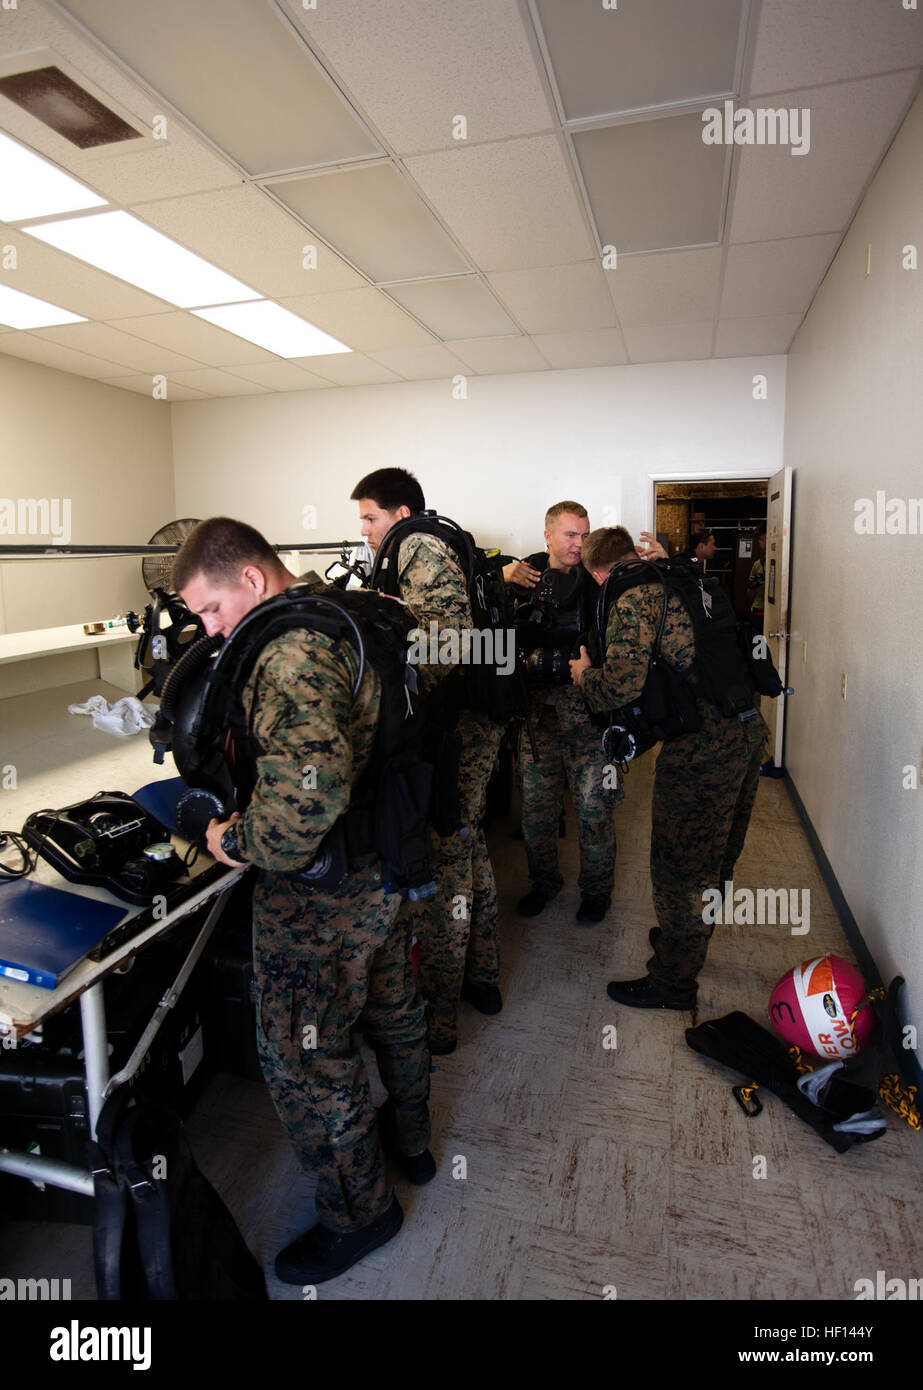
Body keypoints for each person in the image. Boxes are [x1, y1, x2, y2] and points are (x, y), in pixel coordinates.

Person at [173, 516, 433, 1284]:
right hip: (385, 865)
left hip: (323, 895)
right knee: (393, 1008)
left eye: (211, 608)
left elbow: (301, 808)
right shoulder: (348, 614)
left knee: (305, 1056)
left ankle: (360, 1214)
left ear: (251, 578)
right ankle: (412, 1143)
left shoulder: (288, 653)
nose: (209, 629)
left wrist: (230, 838)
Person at [570, 526, 769, 1009]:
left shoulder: (633, 598)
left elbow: (620, 685)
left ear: (599, 574)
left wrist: (584, 676)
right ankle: (687, 942)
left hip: (703, 748)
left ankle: (673, 983)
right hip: (747, 730)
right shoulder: (684, 578)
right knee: (716, 857)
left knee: (681, 870)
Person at [351, 468, 503, 1055]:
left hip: (454, 728)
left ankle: (439, 1013)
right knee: (469, 846)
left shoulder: (414, 542)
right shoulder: (435, 540)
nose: (365, 530)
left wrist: (397, 699)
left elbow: (450, 638)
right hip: (472, 719)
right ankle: (483, 975)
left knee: (444, 867)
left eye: (370, 517)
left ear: (400, 513)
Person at [508, 501, 622, 924]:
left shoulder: (601, 579)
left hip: (589, 720)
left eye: (585, 534)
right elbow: (487, 630)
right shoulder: (523, 578)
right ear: (548, 536)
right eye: (571, 534)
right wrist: (498, 577)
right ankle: (544, 883)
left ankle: (597, 892)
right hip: (537, 720)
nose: (579, 543)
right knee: (537, 815)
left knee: (594, 813)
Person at [747, 530, 767, 632]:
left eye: (763, 539)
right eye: (760, 539)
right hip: (758, 610)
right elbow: (749, 595)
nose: (761, 543)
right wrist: (755, 587)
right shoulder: (758, 564)